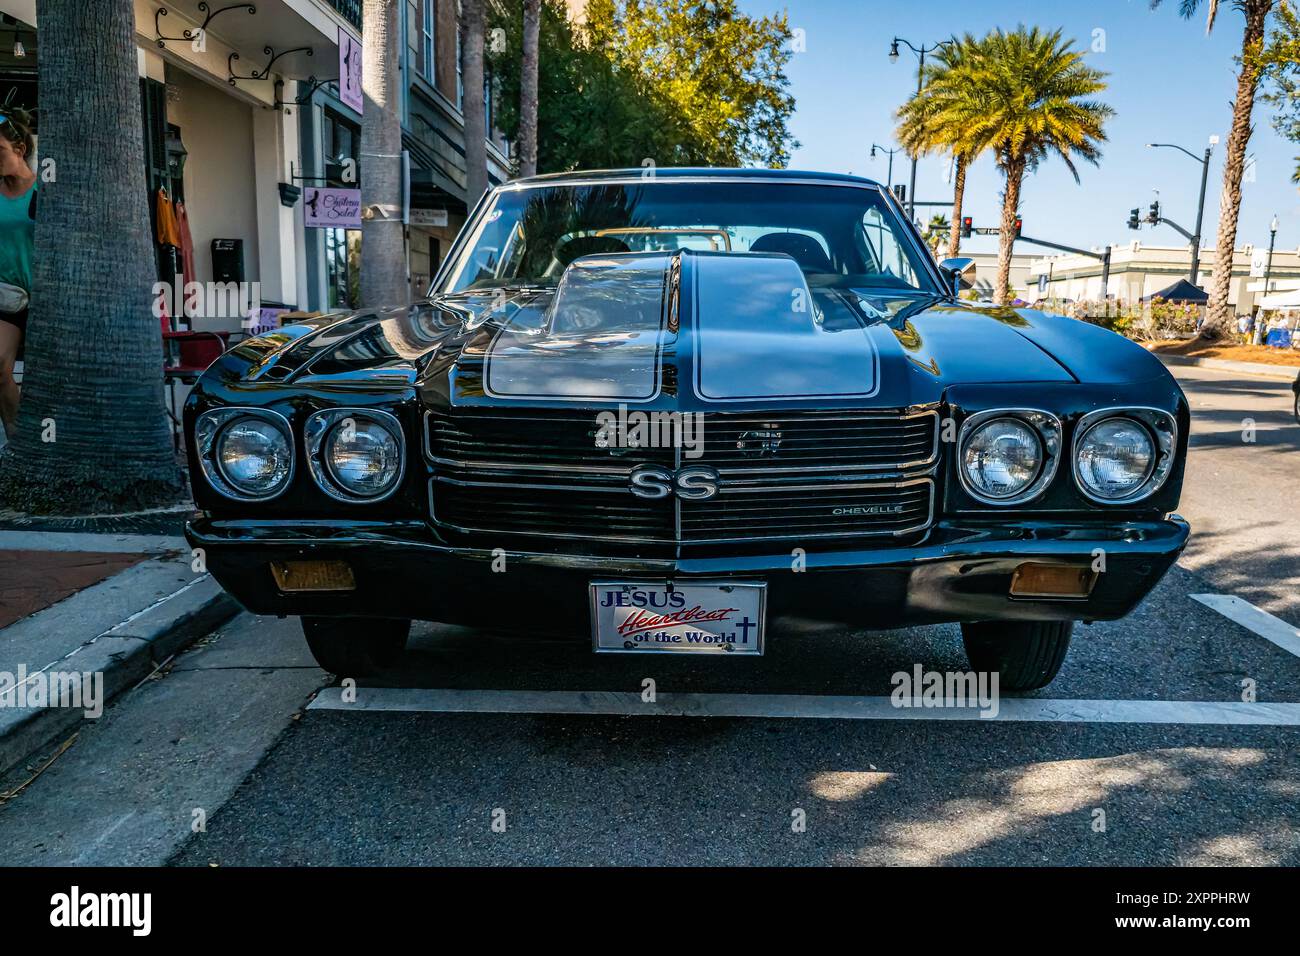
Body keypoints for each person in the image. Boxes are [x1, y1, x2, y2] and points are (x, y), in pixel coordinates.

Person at [0, 107, 36, 439]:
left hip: (47, 301)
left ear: (20, 149)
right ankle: (18, 441)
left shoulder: (46, 191)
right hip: (6, 298)